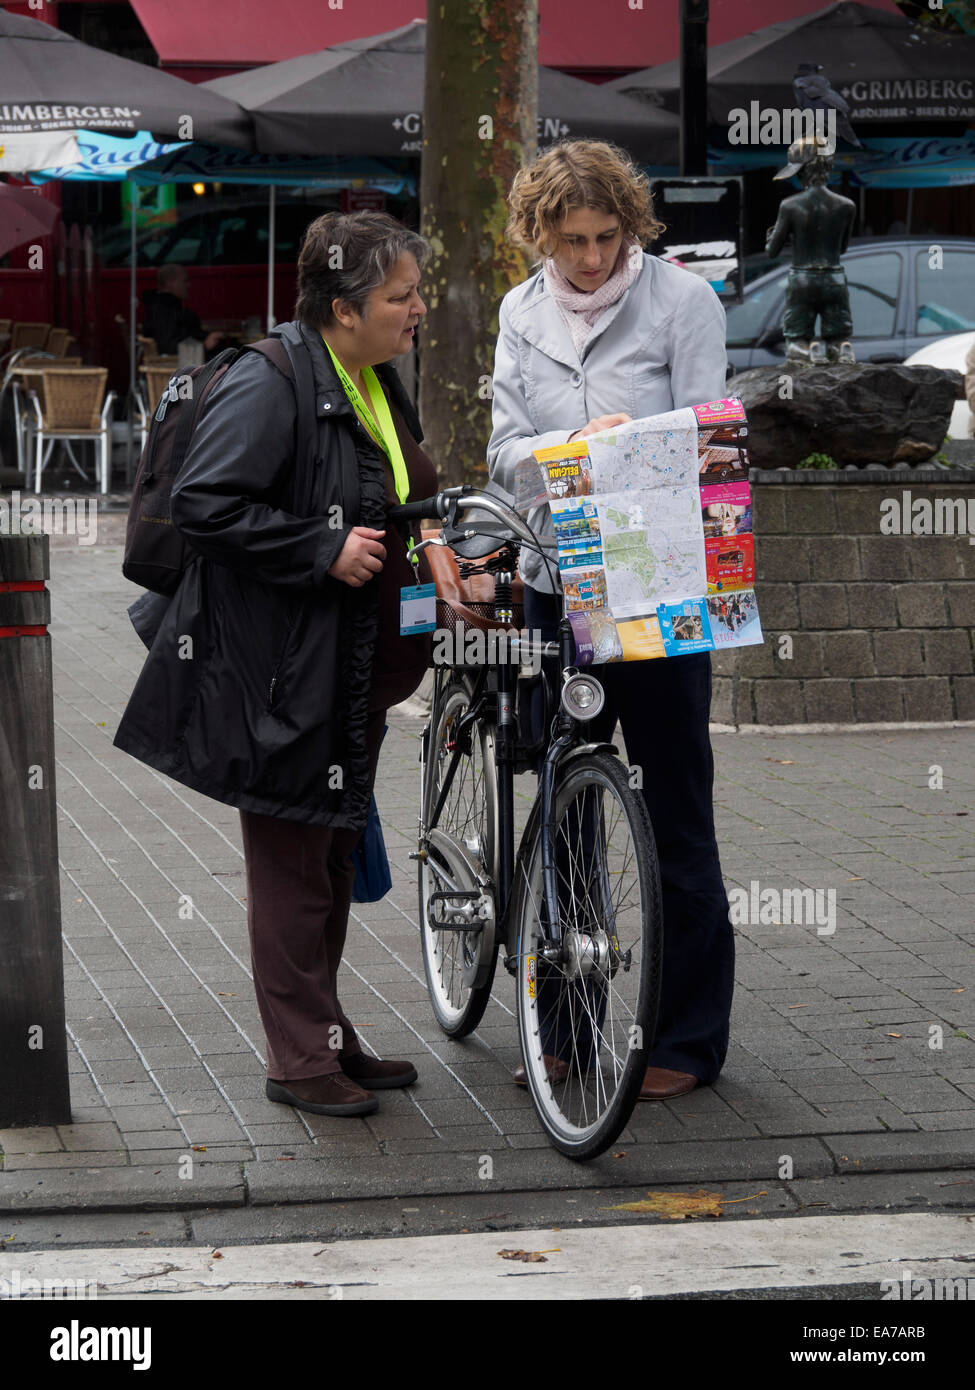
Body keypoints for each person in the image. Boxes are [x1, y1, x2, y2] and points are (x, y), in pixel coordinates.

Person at [115, 212, 435, 1118]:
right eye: (399, 297)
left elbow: (401, 495)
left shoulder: (370, 376)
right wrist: (319, 548)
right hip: (284, 673)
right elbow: (206, 502)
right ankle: (298, 1060)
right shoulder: (272, 378)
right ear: (342, 307)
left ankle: (326, 1036)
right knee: (292, 865)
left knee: (330, 859)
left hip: (352, 672)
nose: (416, 310)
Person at [488, 139, 734, 1101]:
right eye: (570, 241)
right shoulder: (519, 311)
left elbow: (711, 434)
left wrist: (629, 447)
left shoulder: (683, 302)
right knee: (566, 810)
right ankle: (564, 1029)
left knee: (674, 806)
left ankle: (688, 1036)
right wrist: (566, 447)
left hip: (663, 582)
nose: (590, 259)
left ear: (630, 228)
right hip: (560, 577)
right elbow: (508, 450)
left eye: (605, 237)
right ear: (538, 236)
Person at [142, 264, 224, 358]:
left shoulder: (168, 307)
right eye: (185, 281)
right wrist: (205, 345)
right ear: (170, 283)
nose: (188, 285)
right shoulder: (163, 310)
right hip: (185, 365)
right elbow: (168, 346)